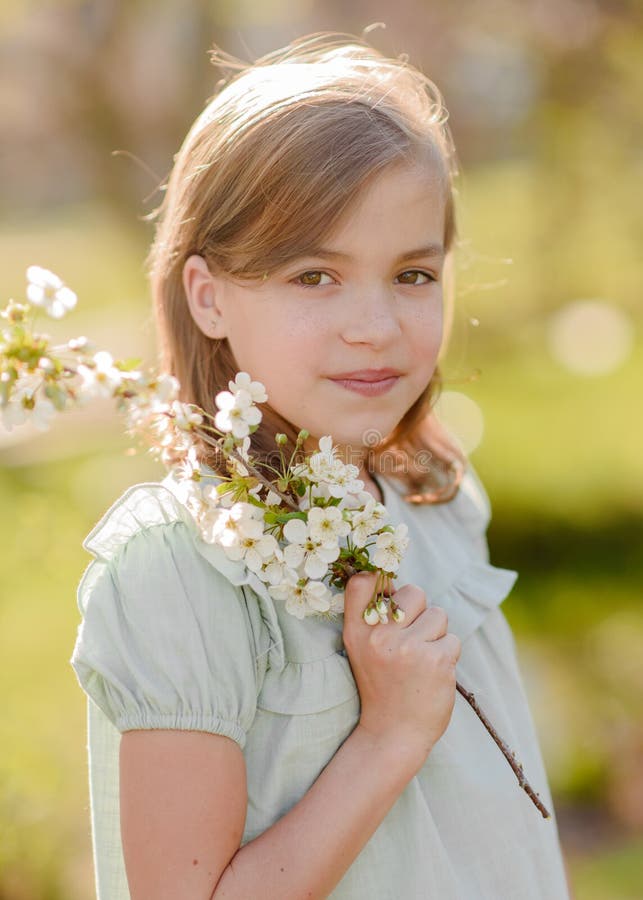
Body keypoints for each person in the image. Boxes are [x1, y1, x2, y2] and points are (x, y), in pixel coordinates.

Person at [70, 32, 572, 899]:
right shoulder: (181, 572)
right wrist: (387, 738)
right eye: (313, 276)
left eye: (412, 274)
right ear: (208, 296)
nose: (374, 325)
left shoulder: (432, 491)